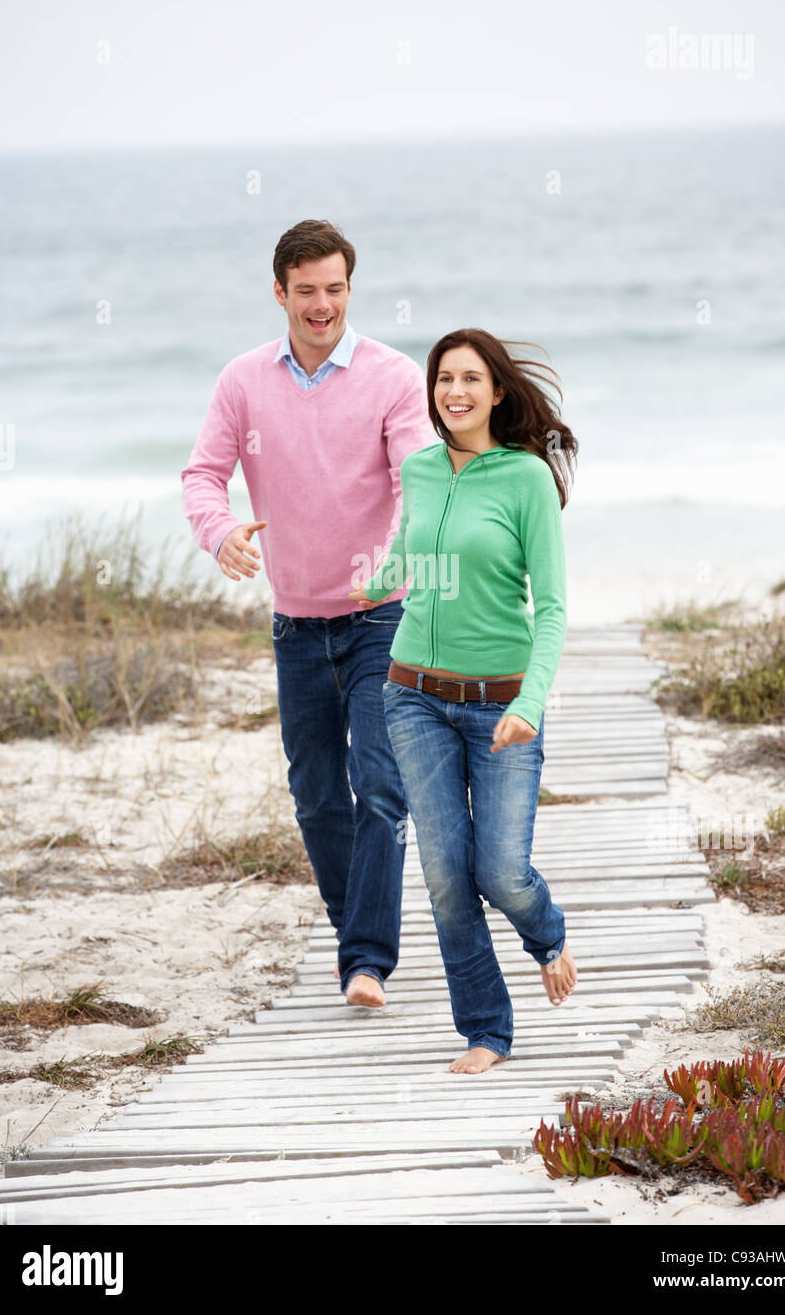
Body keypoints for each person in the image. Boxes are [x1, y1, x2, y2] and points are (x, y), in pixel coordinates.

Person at [181, 219, 438, 1006]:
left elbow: (420, 479)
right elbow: (202, 475)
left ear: (349, 289)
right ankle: (354, 932)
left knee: (380, 783)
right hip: (295, 626)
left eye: (334, 289)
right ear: (280, 293)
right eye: (306, 292)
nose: (321, 305)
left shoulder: (393, 377)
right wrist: (221, 532)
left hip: (381, 618)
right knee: (318, 795)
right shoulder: (243, 380)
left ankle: (365, 961)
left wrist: (396, 559)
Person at [348, 328, 579, 1072]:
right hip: (413, 694)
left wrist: (530, 704)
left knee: (501, 872)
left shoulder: (526, 479)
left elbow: (550, 609)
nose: (455, 391)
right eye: (445, 378)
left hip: (502, 707)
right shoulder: (418, 469)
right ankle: (486, 1030)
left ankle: (546, 934)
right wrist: (370, 583)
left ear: (498, 391)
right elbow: (412, 557)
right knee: (446, 875)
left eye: (471, 379)